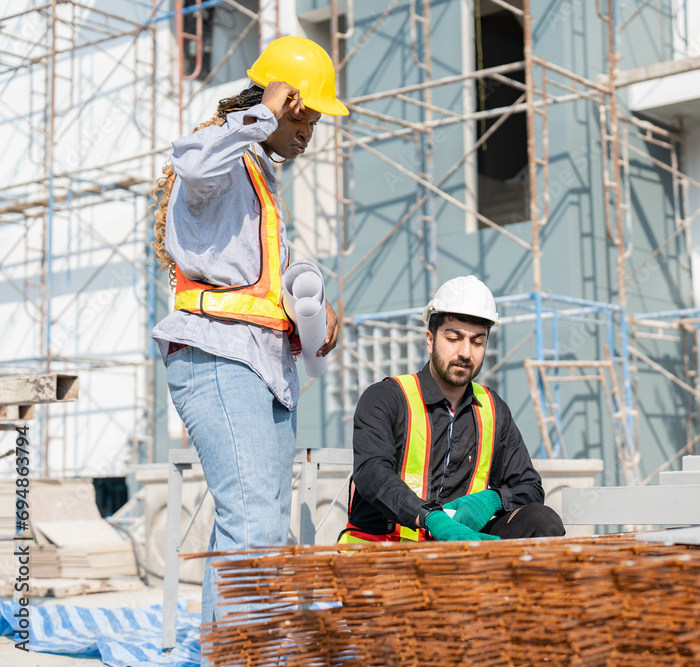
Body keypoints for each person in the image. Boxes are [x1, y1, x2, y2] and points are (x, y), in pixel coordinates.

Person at [148, 36, 348, 643]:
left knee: (256, 521)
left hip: (262, 364)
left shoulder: (260, 180)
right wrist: (262, 112)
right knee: (254, 519)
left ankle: (235, 651)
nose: (308, 132)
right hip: (219, 356)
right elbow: (192, 162)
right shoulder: (226, 160)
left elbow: (254, 276)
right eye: (305, 116)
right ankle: (242, 657)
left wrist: (309, 304)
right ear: (281, 100)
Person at [340, 276, 565, 543]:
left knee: (542, 521)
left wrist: (492, 500)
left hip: (459, 554)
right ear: (430, 340)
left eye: (477, 342)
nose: (466, 352)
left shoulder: (493, 410)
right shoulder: (385, 398)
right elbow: (372, 475)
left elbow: (529, 488)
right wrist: (430, 518)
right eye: (454, 338)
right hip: (385, 553)